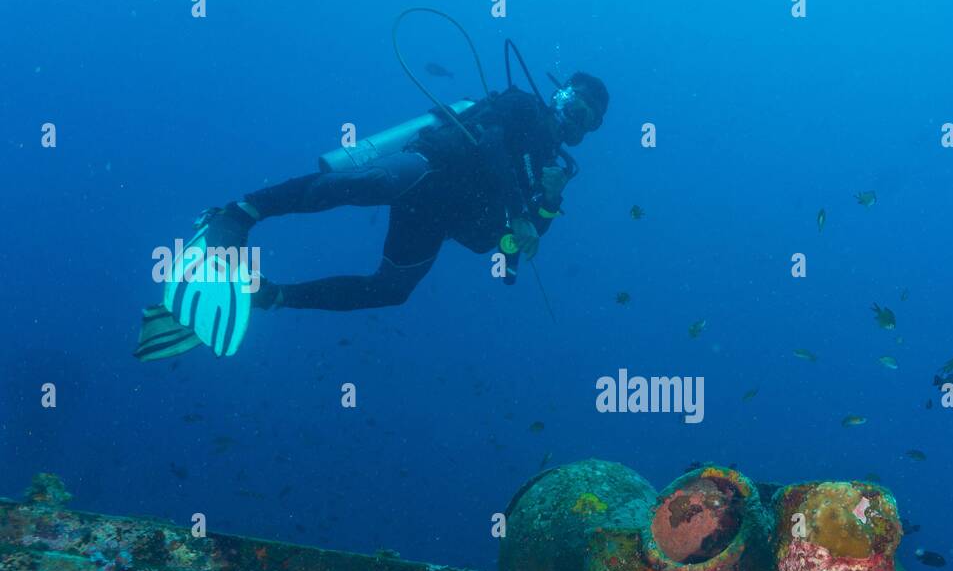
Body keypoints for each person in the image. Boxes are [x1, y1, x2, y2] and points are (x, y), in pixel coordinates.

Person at [135, 73, 608, 360]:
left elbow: (506, 260)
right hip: (430, 168)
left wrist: (543, 206)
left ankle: (270, 296)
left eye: (583, 118)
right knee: (365, 183)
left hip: (438, 219)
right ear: (556, 94)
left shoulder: (554, 175)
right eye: (570, 104)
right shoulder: (521, 104)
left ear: (589, 131)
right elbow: (489, 144)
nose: (570, 119)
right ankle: (238, 214)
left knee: (393, 290)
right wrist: (521, 213)